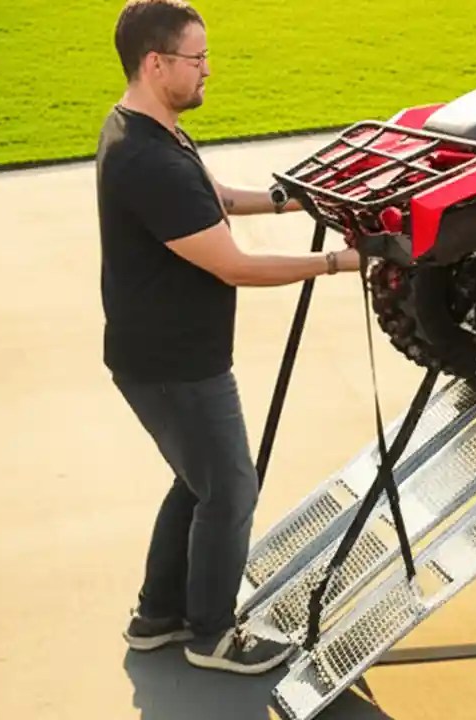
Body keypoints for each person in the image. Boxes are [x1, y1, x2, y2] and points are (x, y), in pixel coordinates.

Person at [95, 0, 358, 675]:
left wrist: (304, 198)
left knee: (197, 482)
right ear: (156, 64)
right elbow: (233, 264)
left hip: (165, 355)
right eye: (197, 58)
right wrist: (337, 261)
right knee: (231, 489)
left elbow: (221, 199)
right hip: (174, 365)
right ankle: (211, 634)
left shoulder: (154, 131)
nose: (208, 70)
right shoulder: (145, 160)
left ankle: (158, 615)